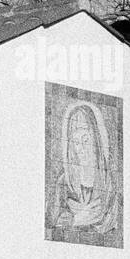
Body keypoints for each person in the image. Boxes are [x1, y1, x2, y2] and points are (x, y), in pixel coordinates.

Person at [48, 99, 119, 235]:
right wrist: (76, 220)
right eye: (76, 142)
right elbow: (50, 223)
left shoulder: (109, 184)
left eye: (86, 140)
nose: (81, 148)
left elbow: (114, 221)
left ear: (96, 140)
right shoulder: (63, 183)